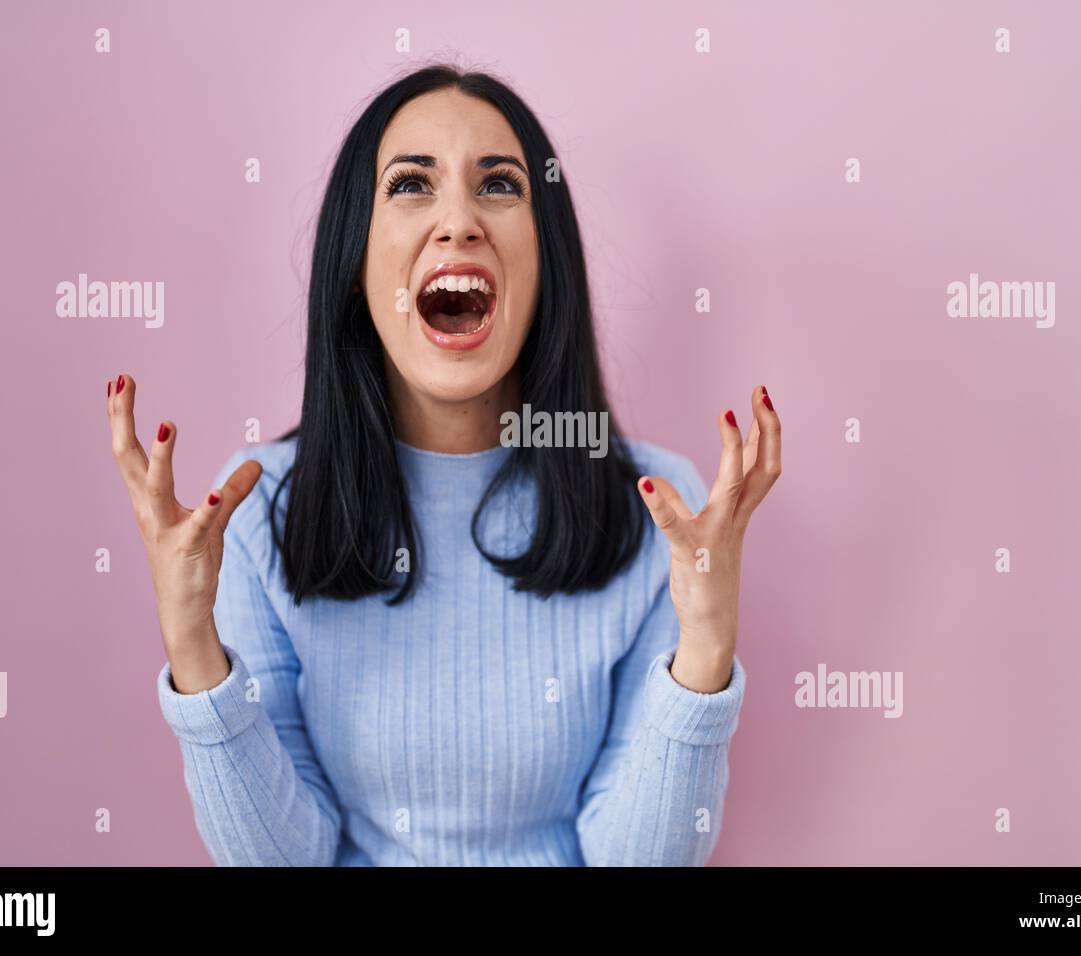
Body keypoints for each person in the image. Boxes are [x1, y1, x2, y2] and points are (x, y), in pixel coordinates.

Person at [105, 64, 781, 866]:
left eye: (499, 185)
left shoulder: (657, 509)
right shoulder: (257, 512)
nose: (459, 221)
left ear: (547, 263)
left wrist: (706, 646)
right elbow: (285, 859)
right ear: (356, 264)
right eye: (411, 185)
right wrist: (192, 643)